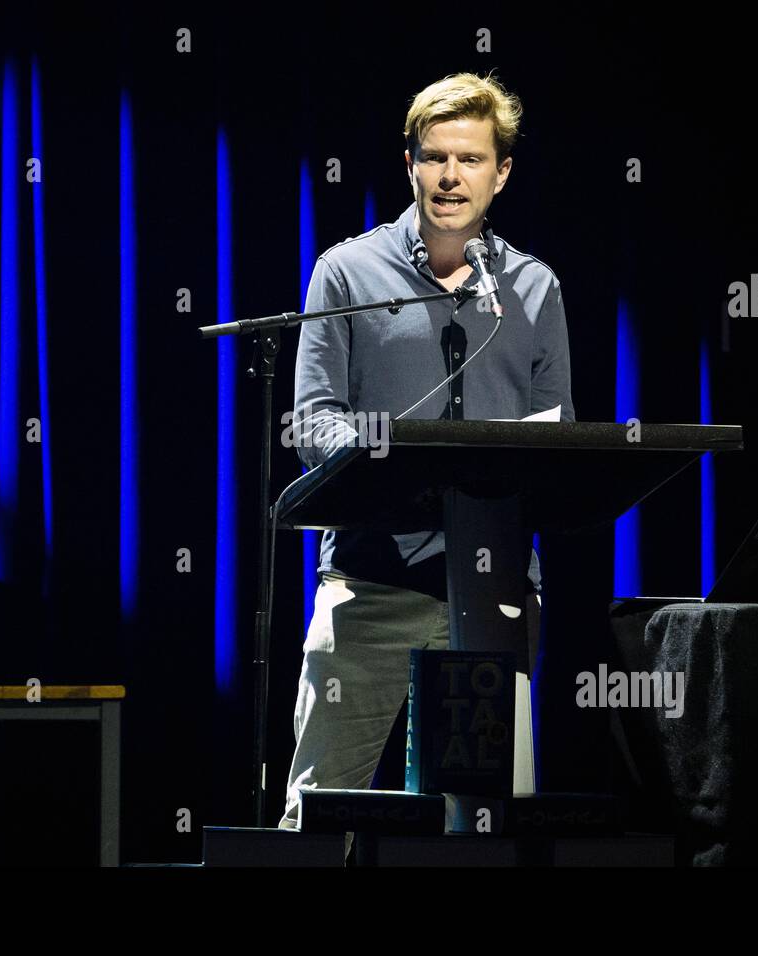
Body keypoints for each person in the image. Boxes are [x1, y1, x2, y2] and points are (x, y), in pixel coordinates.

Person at [278, 72, 575, 848]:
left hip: (494, 590)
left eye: (470, 160)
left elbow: (557, 429)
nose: (451, 178)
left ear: (500, 173)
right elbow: (313, 423)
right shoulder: (346, 274)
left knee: (485, 826)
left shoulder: (533, 289)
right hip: (371, 583)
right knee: (319, 815)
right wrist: (397, 464)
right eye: (435, 158)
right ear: (409, 163)